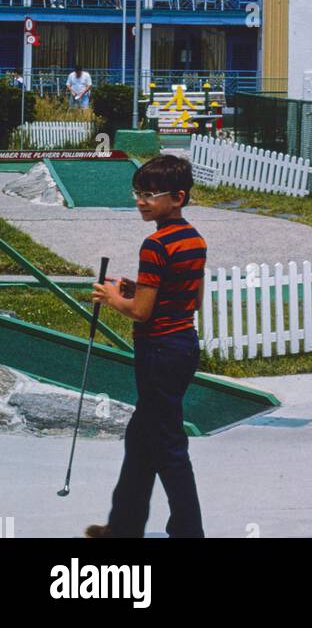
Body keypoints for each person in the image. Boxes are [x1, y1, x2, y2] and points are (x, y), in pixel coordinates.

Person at [86, 154, 207, 539]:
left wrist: (110, 296)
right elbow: (192, 299)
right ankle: (123, 526)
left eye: (151, 194)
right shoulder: (194, 239)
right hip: (183, 345)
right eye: (138, 192)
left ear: (178, 197)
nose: (141, 201)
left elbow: (140, 313)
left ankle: (189, 532)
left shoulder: (154, 244)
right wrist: (137, 289)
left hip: (157, 351)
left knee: (169, 446)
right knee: (141, 439)